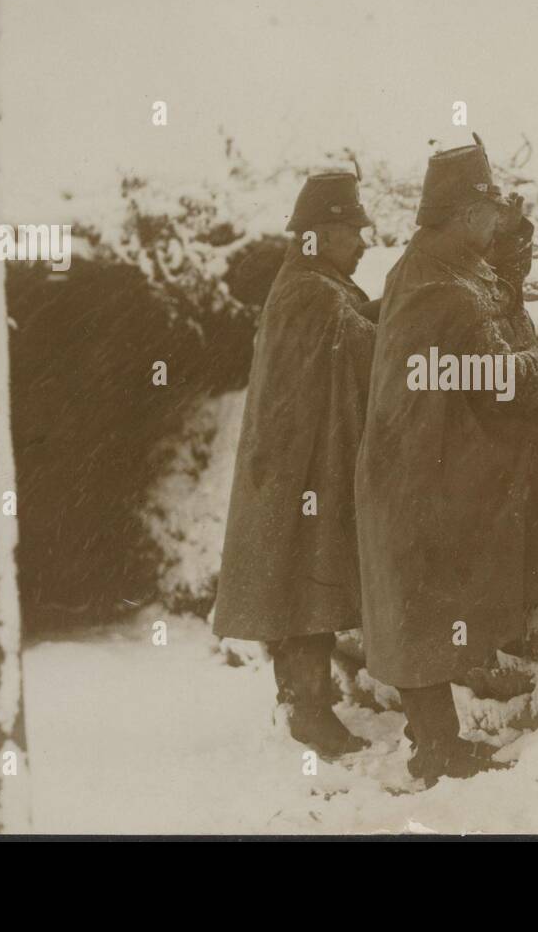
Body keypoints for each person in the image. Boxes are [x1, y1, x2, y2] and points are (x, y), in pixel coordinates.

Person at [355, 140, 538, 787]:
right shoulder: (443, 289)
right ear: (460, 214)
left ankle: (435, 745)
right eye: (487, 209)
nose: (496, 220)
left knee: (417, 611)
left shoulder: (424, 268)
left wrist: (505, 274)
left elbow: (478, 313)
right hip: (418, 474)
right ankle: (437, 752)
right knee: (420, 614)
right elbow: (499, 378)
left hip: (410, 467)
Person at [215, 171, 377, 758]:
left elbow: (356, 332)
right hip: (302, 469)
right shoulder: (315, 292)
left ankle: (301, 704)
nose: (363, 243)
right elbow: (367, 348)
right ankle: (311, 713)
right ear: (323, 234)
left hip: (292, 464)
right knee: (308, 585)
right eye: (354, 232)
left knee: (299, 583)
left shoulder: (309, 283)